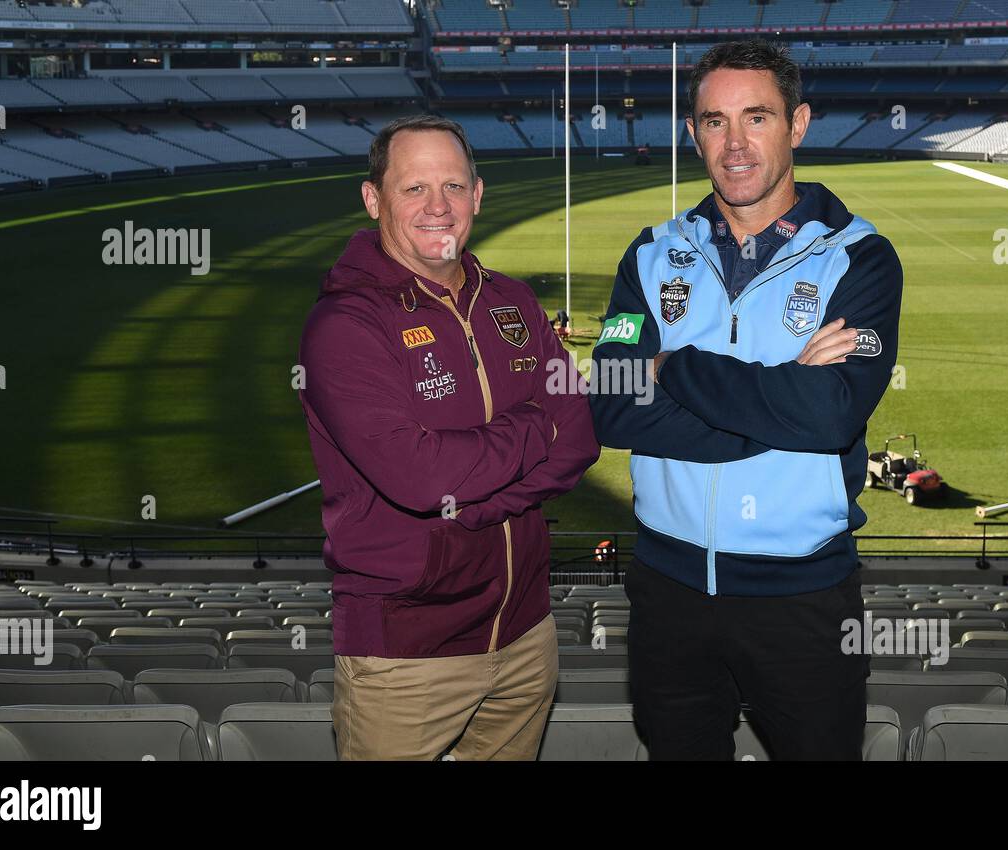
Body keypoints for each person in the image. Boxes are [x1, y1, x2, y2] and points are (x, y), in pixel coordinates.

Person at [590, 39, 902, 760]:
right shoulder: (650, 254)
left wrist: (669, 366)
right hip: (667, 591)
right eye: (712, 121)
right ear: (691, 132)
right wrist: (781, 395)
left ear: (797, 124)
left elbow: (831, 415)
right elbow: (607, 403)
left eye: (755, 118)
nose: (734, 144)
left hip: (804, 598)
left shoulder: (859, 258)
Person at [299, 114, 600, 760]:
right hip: (406, 655)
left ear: (478, 195)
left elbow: (577, 436)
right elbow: (421, 477)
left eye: (455, 187)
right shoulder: (345, 326)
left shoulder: (513, 303)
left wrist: (476, 505)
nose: (439, 208)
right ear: (373, 198)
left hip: (525, 636)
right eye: (414, 189)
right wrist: (533, 425)